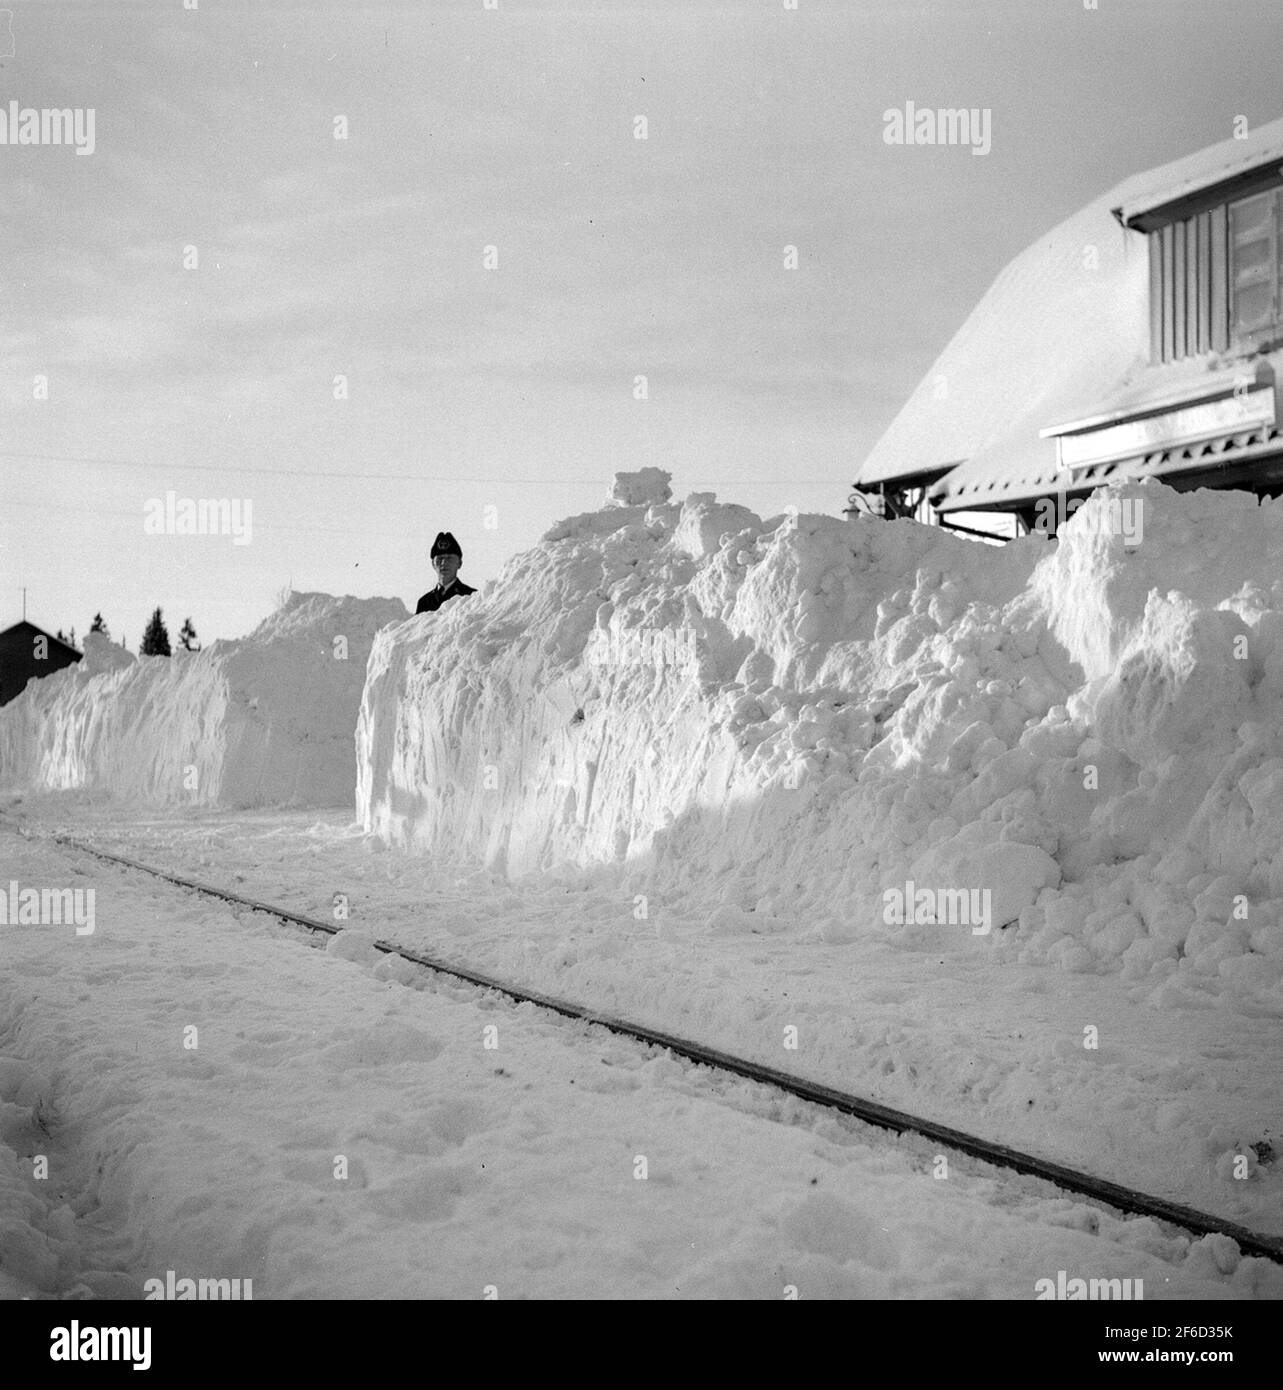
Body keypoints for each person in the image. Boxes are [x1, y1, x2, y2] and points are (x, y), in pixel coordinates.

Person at [416, 532, 477, 614]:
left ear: (459, 563)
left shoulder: (471, 596)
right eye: (440, 559)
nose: (443, 563)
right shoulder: (424, 602)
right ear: (433, 564)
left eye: (449, 558)